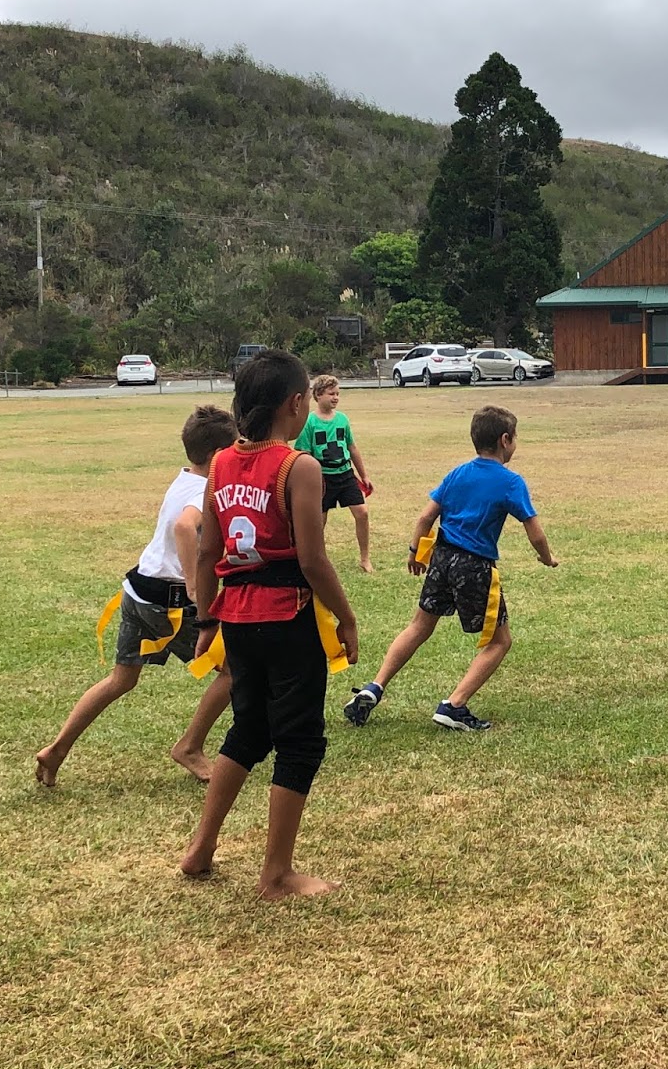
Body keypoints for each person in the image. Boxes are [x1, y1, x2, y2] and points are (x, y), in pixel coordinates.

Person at [180, 349, 359, 899]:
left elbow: (209, 551)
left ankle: (202, 848)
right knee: (300, 741)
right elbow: (312, 560)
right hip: (288, 617)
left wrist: (207, 618)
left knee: (249, 729)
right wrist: (348, 618)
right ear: (296, 403)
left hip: (237, 616)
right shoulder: (297, 466)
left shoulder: (221, 465)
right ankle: (276, 873)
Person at [34, 405, 239, 788]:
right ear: (216, 457)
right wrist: (196, 592)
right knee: (237, 671)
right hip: (169, 601)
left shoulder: (184, 480)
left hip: (138, 590)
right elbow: (183, 527)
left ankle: (57, 749)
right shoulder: (205, 489)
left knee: (121, 680)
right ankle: (190, 747)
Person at [343, 405, 557, 733]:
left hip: (441, 559)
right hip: (475, 567)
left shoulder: (458, 473)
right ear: (504, 440)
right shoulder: (511, 482)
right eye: (515, 439)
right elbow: (535, 531)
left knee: (418, 627)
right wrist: (546, 557)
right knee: (500, 641)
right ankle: (454, 705)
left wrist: (416, 551)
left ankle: (376, 685)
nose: (516, 445)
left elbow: (425, 516)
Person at [295, 374, 376, 573]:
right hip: (322, 478)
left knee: (362, 513)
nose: (336, 398)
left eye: (338, 394)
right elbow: (302, 453)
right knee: (318, 521)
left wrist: (363, 475)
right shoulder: (309, 423)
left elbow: (352, 447)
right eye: (331, 394)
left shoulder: (342, 419)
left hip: (345, 474)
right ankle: (315, 558)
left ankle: (365, 558)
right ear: (318, 395)